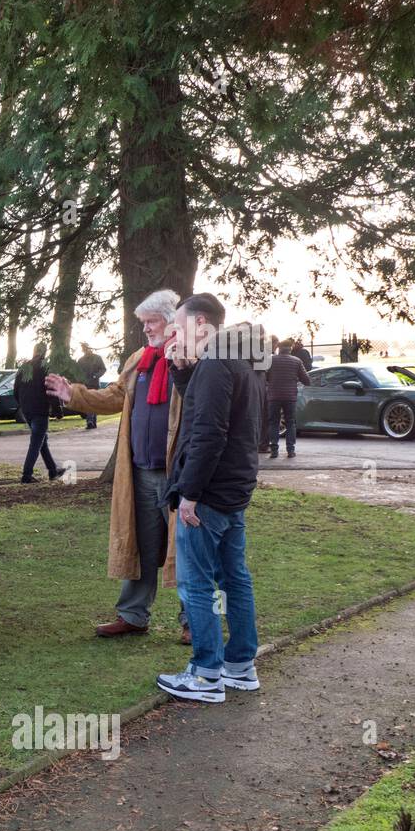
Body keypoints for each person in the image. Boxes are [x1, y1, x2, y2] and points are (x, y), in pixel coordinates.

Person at [46, 290, 190, 643]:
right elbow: (114, 396)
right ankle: (133, 616)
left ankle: (195, 619)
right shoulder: (139, 358)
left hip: (178, 475)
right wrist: (74, 395)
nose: (145, 329)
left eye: (151, 322)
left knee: (187, 548)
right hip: (139, 473)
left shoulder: (189, 357)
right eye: (143, 323)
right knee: (139, 544)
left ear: (172, 321)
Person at [156, 293, 261, 703]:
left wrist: (190, 493)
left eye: (178, 326)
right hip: (233, 491)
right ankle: (240, 667)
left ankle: (205, 675)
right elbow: (212, 411)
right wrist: (181, 371)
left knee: (196, 583)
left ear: (201, 324)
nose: (174, 335)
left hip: (210, 494)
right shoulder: (239, 361)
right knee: (235, 579)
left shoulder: (217, 363)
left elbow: (209, 433)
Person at [17, 343, 59, 483]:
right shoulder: (45, 367)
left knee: (42, 441)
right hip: (40, 410)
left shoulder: (24, 367)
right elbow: (51, 390)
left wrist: (22, 405)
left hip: (27, 410)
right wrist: (57, 410)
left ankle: (53, 471)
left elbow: (16, 389)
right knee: (36, 443)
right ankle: (26, 475)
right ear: (45, 352)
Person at [266, 339, 310, 459]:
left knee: (273, 423)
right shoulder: (297, 361)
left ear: (279, 348)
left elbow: (264, 377)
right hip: (290, 397)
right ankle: (291, 451)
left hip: (273, 396)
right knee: (290, 423)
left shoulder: (270, 360)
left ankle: (274, 451)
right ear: (290, 349)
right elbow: (307, 380)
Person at [76, 343, 106, 429]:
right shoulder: (81, 360)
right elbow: (78, 372)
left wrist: (96, 375)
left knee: (93, 402)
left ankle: (92, 421)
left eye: (86, 348)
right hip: (85, 384)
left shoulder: (97, 358)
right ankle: (90, 421)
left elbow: (103, 369)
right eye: (84, 349)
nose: (85, 350)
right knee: (88, 402)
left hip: (94, 383)